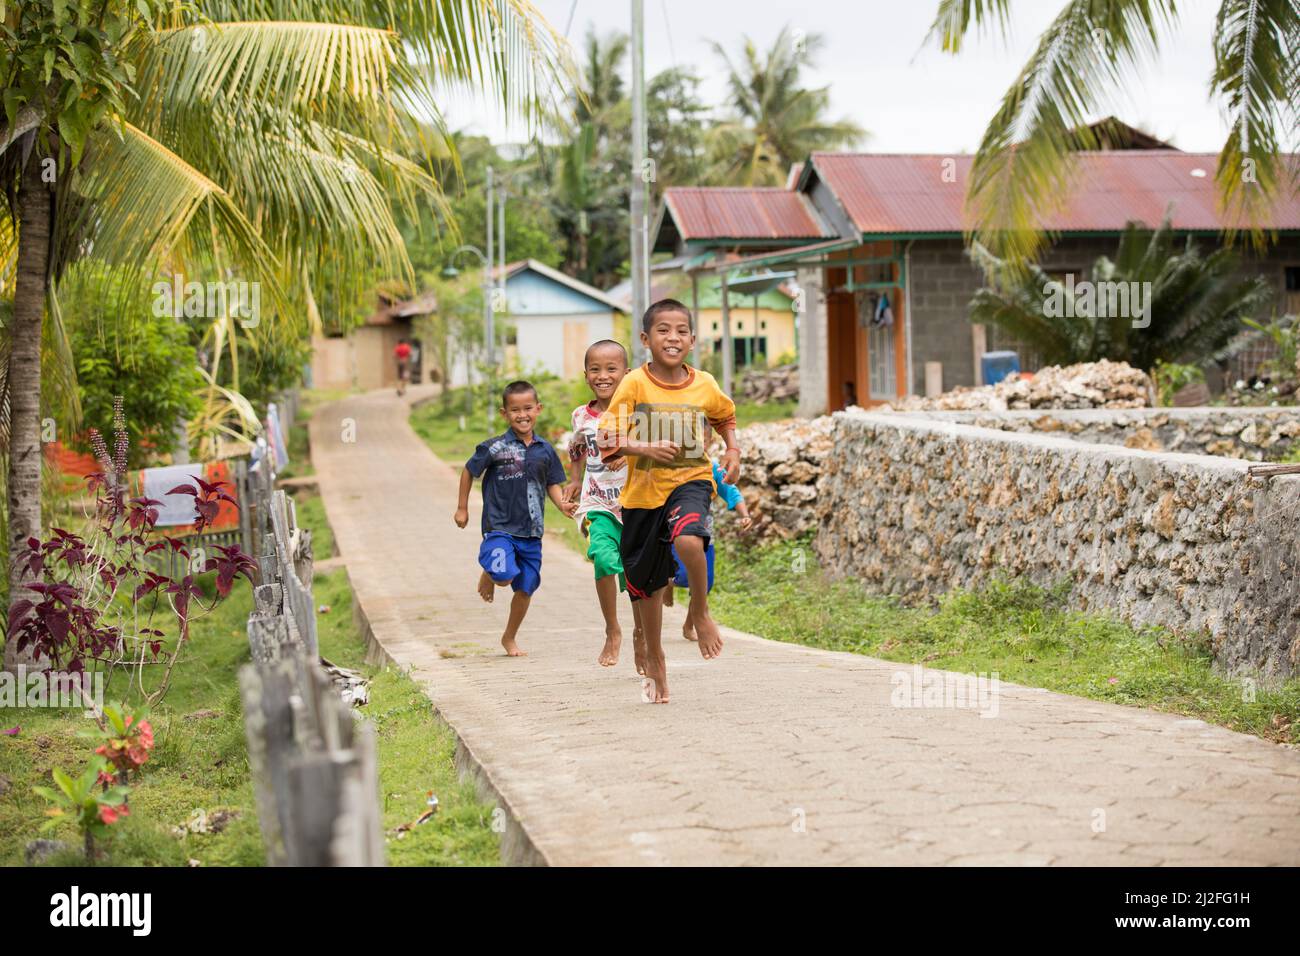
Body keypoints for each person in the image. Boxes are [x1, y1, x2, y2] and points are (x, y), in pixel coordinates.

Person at [597, 299, 740, 703]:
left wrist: (733, 451)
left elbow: (725, 416)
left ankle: (700, 609)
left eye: (681, 331)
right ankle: (655, 654)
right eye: (662, 330)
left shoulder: (705, 384)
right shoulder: (634, 384)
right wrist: (643, 446)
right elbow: (607, 436)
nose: (672, 337)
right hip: (642, 495)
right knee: (645, 586)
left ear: (692, 340)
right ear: (645, 339)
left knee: (689, 539)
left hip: (690, 480)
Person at [454, 380, 576, 656]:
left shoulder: (546, 450)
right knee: (504, 577)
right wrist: (463, 508)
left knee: (526, 588)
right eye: (515, 410)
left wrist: (563, 506)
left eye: (528, 408)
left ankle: (509, 637)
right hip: (500, 529)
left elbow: (553, 484)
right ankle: (491, 571)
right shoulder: (494, 447)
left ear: (538, 409)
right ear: (504, 414)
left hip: (532, 532)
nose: (523, 415)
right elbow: (467, 471)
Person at [564, 340, 644, 671]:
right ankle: (613, 628)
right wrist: (574, 478)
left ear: (626, 374)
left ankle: (642, 634)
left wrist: (627, 451)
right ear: (586, 376)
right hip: (597, 502)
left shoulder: (637, 412)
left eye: (611, 369)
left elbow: (651, 450)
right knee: (602, 558)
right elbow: (576, 448)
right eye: (595, 369)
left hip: (635, 504)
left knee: (636, 574)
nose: (603, 375)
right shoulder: (581, 416)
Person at [665, 455, 752, 642]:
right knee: (682, 576)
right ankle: (667, 583)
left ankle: (689, 625)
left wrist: (744, 515)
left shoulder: (711, 468)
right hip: (678, 533)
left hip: (706, 536)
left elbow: (731, 490)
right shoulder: (672, 464)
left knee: (705, 584)